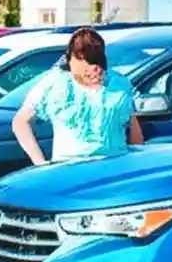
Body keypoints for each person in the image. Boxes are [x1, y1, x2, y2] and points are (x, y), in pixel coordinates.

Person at [12, 26, 144, 165]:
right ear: (71, 60)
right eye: (84, 61)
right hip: (69, 170)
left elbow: (135, 131)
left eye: (95, 61)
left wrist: (134, 164)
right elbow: (20, 122)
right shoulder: (56, 83)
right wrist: (40, 163)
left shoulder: (118, 84)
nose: (92, 69)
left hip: (113, 168)